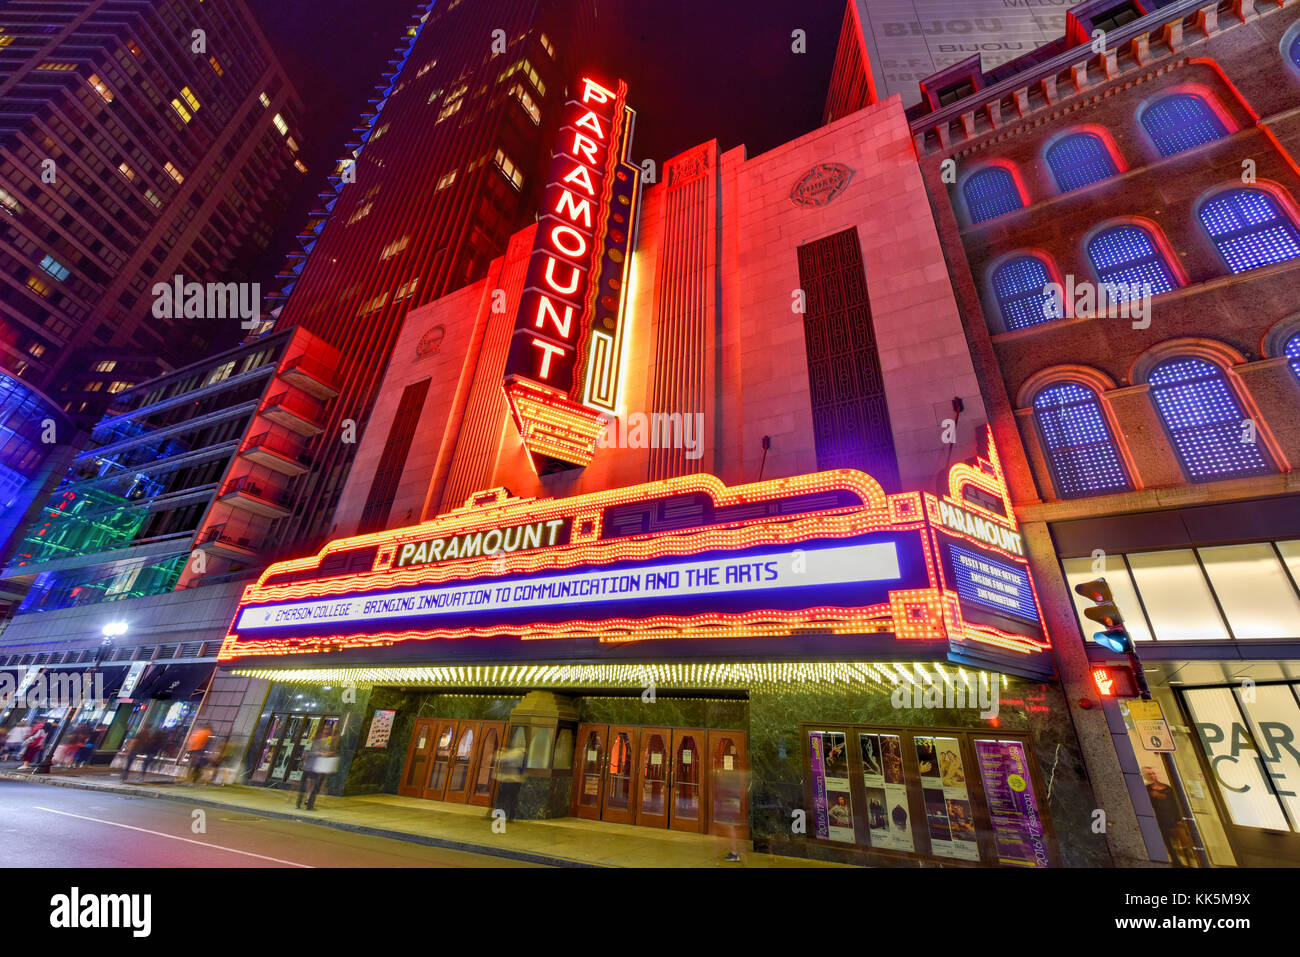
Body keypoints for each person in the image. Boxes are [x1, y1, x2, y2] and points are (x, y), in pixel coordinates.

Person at [296, 733, 339, 811]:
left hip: (312, 768)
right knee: (311, 787)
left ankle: (304, 804)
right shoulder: (315, 744)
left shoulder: (322, 744)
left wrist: (326, 754)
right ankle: (304, 804)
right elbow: (305, 754)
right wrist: (319, 753)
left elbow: (323, 754)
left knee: (309, 786)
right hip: (311, 768)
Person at [494, 744, 526, 822]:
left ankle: (508, 815)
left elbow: (501, 758)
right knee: (510, 798)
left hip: (512, 780)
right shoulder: (517, 755)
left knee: (507, 798)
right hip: (512, 780)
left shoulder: (514, 755)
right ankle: (510, 815)